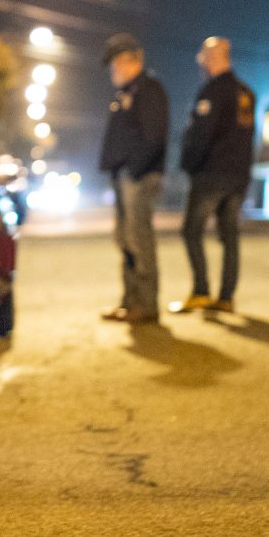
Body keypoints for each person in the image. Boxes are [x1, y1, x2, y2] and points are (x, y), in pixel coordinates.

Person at [172, 36, 256, 314]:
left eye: (205, 59)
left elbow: (201, 135)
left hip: (211, 175)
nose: (203, 64)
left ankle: (201, 291)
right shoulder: (245, 92)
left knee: (191, 231)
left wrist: (188, 164)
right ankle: (226, 297)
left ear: (215, 57)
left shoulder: (213, 91)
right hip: (238, 177)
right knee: (229, 236)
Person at [99, 32, 169, 323]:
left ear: (129, 61)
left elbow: (153, 137)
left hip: (138, 178)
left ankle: (146, 304)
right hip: (124, 177)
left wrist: (133, 169)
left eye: (115, 64)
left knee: (140, 241)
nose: (112, 71)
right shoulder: (126, 93)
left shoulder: (148, 90)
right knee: (125, 240)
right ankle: (129, 301)